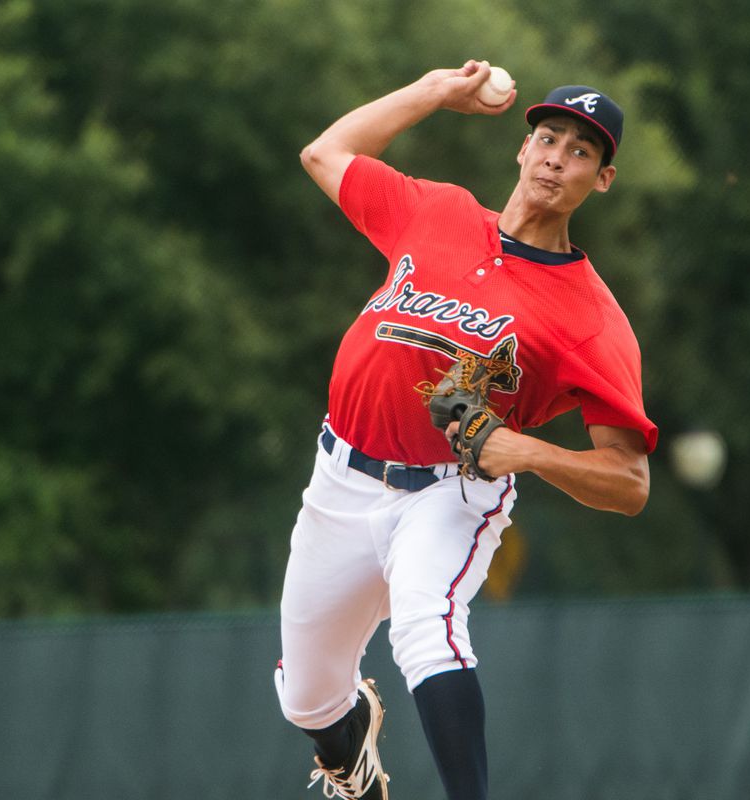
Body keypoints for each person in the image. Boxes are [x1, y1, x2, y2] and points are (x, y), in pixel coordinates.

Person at [274, 60, 658, 800]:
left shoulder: (594, 320)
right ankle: (351, 753)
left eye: (582, 150)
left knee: (425, 629)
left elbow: (631, 483)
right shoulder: (438, 211)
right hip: (340, 478)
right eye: (548, 137)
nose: (557, 157)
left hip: (450, 492)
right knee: (308, 698)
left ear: (602, 179)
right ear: (521, 150)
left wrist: (527, 453)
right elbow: (324, 153)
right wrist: (433, 93)